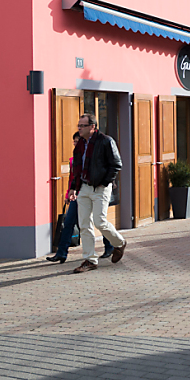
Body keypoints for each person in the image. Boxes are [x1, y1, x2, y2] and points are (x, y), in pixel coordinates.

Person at [70, 113, 128, 273]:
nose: (79, 128)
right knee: (84, 224)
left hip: (100, 187)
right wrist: (74, 187)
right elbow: (76, 168)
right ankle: (90, 259)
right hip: (84, 187)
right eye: (79, 125)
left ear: (92, 127)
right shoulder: (80, 144)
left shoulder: (106, 141)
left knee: (99, 221)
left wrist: (104, 182)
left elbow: (116, 164)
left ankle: (119, 243)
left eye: (82, 125)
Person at [47, 132, 112, 263]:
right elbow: (73, 178)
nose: (76, 143)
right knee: (69, 222)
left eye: (78, 141)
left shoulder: (93, 157)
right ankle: (61, 253)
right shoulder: (74, 159)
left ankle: (110, 246)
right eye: (75, 141)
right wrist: (69, 194)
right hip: (78, 194)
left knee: (99, 221)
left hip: (95, 191)